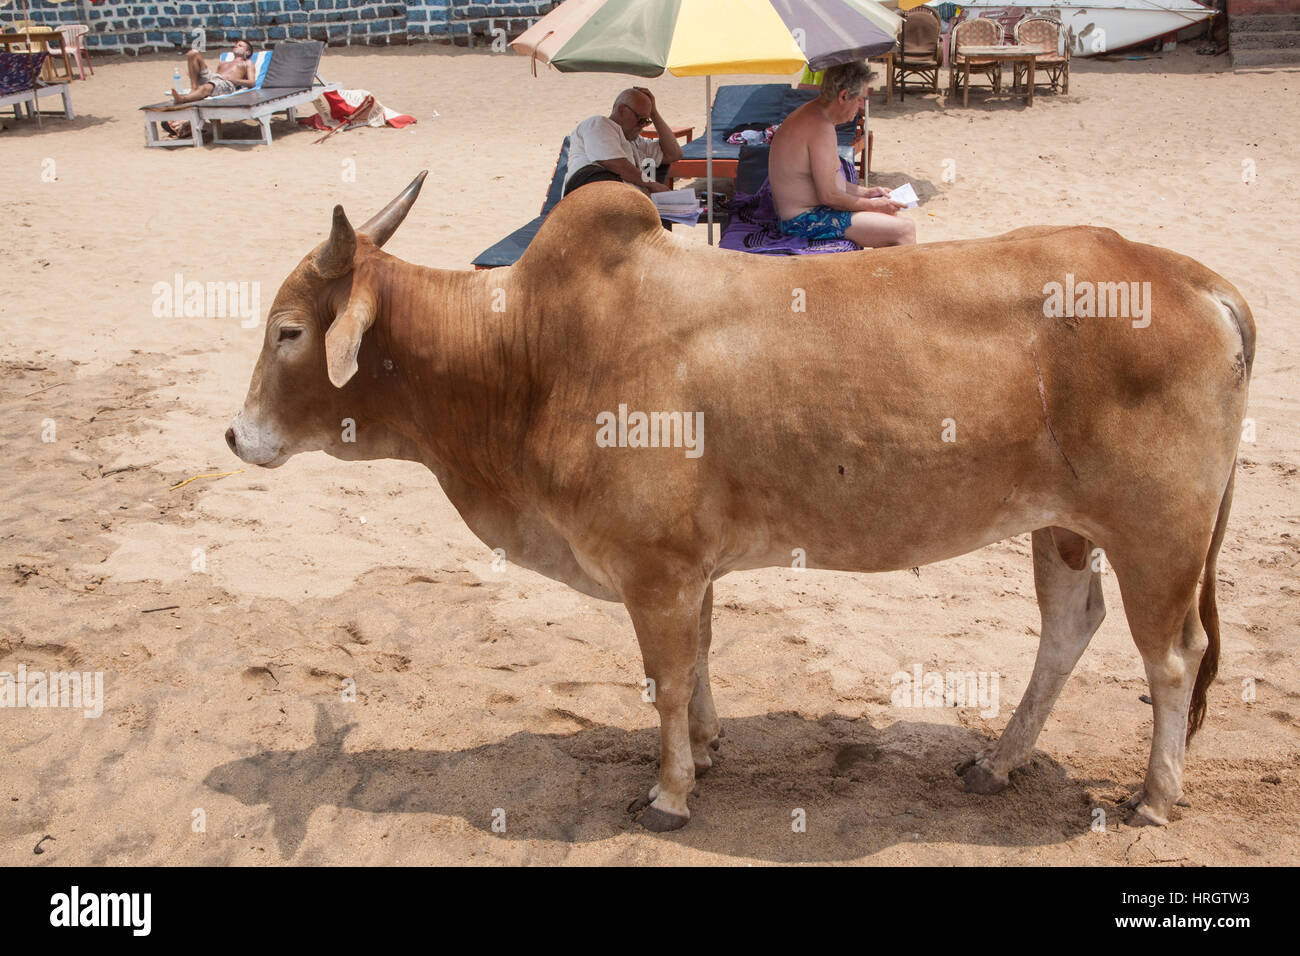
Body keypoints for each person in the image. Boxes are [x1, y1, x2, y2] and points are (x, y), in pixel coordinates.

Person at [768, 61, 916, 248]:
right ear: (844, 96)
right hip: (801, 221)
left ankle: (882, 275)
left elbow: (830, 182)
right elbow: (829, 196)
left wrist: (869, 193)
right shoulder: (820, 127)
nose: (861, 107)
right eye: (860, 99)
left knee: (891, 219)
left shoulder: (814, 114)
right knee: (904, 230)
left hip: (803, 213)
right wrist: (874, 205)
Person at [562, 87, 683, 197]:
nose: (643, 126)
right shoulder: (598, 124)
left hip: (622, 204)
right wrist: (652, 184)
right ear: (621, 110)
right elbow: (614, 162)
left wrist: (654, 113)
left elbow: (673, 154)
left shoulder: (636, 142)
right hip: (591, 198)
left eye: (647, 121)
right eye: (640, 119)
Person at [170, 39, 257, 105]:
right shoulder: (224, 62)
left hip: (227, 84)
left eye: (240, 46)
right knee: (193, 53)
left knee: (207, 87)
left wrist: (234, 80)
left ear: (247, 52)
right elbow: (214, 79)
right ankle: (194, 87)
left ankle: (183, 99)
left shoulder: (247, 63)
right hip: (214, 79)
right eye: (236, 45)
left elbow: (252, 82)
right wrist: (194, 74)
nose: (236, 46)